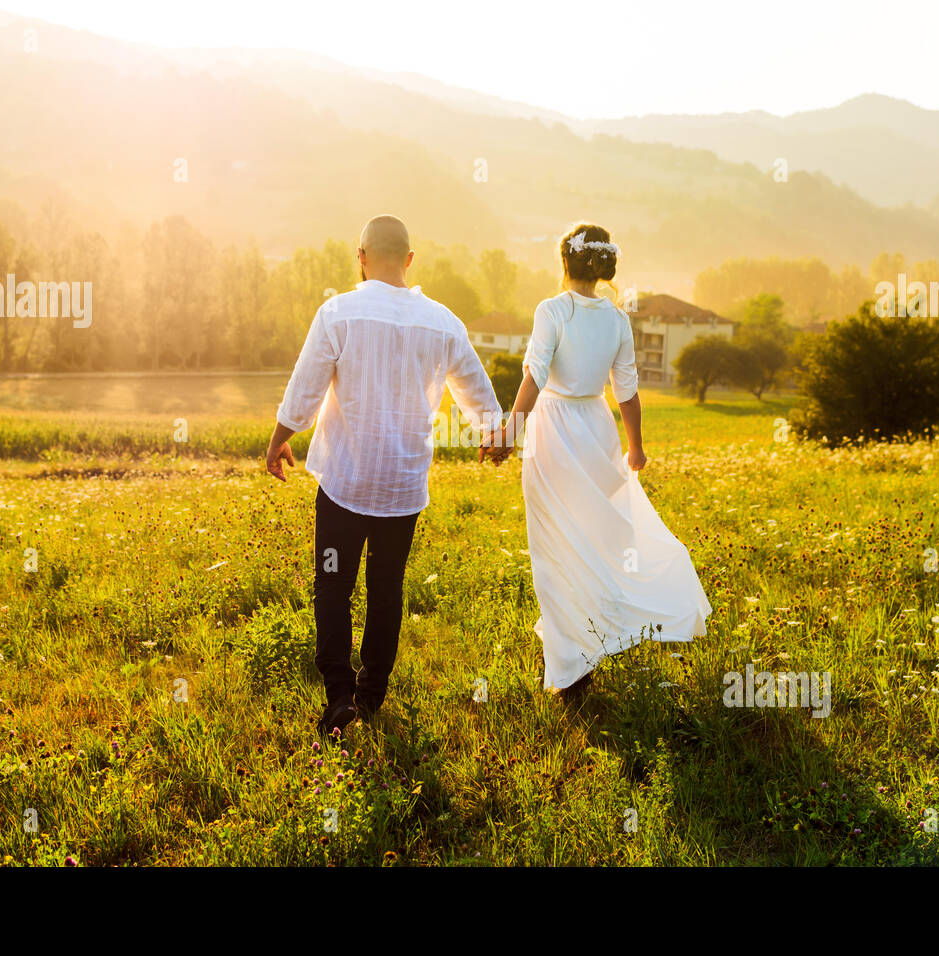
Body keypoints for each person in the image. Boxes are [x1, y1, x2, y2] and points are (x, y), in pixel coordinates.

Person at [266, 214, 506, 738]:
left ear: (362, 257)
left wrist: (279, 438)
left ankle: (339, 696)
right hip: (402, 487)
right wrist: (494, 433)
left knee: (332, 586)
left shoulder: (339, 312)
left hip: (346, 481)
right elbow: (476, 389)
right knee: (386, 588)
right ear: (410, 259)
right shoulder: (443, 321)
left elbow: (305, 387)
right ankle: (371, 696)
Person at [505, 223, 711, 694]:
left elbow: (535, 374)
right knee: (597, 535)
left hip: (553, 429)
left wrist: (510, 430)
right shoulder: (618, 320)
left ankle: (570, 658)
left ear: (565, 262)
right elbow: (628, 392)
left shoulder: (551, 310)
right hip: (596, 428)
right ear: (603, 266)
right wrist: (635, 447)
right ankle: (581, 641)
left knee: (555, 540)